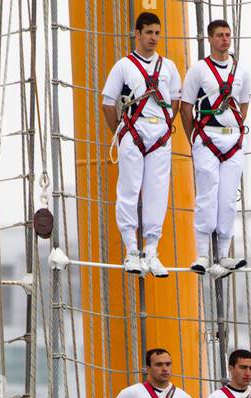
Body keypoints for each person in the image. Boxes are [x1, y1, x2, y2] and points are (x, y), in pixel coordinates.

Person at [102, 11, 181, 276]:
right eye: (149, 33)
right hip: (133, 134)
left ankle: (152, 250)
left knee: (157, 192)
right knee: (129, 190)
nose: (154, 38)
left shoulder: (168, 68)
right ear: (137, 34)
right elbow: (107, 102)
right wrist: (121, 133)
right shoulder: (123, 66)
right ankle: (130, 250)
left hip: (159, 136)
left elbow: (175, 99)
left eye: (157, 33)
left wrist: (167, 124)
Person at [180, 18, 250, 273]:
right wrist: (194, 137)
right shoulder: (199, 70)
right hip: (206, 137)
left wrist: (234, 126)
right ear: (210, 39)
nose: (225, 39)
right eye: (220, 35)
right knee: (207, 195)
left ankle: (223, 253)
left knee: (228, 198)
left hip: (232, 139)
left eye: (228, 35)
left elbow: (243, 104)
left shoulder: (241, 71)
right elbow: (185, 107)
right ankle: (201, 254)